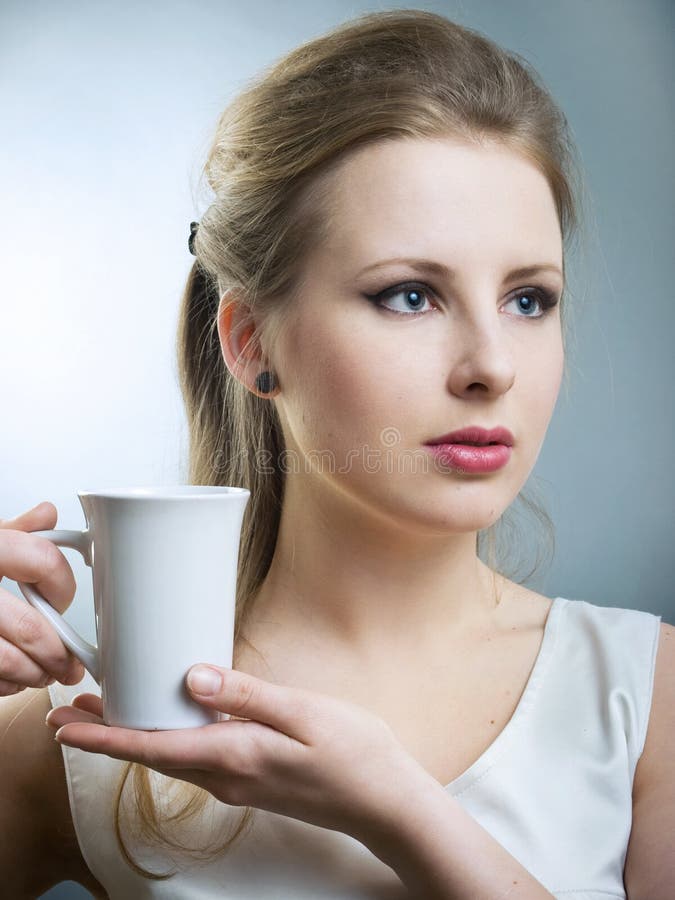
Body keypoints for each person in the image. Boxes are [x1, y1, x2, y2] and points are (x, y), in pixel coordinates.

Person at [0, 8, 672, 899]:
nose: (490, 368)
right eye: (407, 296)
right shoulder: (81, 732)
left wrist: (398, 809)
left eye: (528, 299)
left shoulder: (646, 696)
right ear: (250, 342)